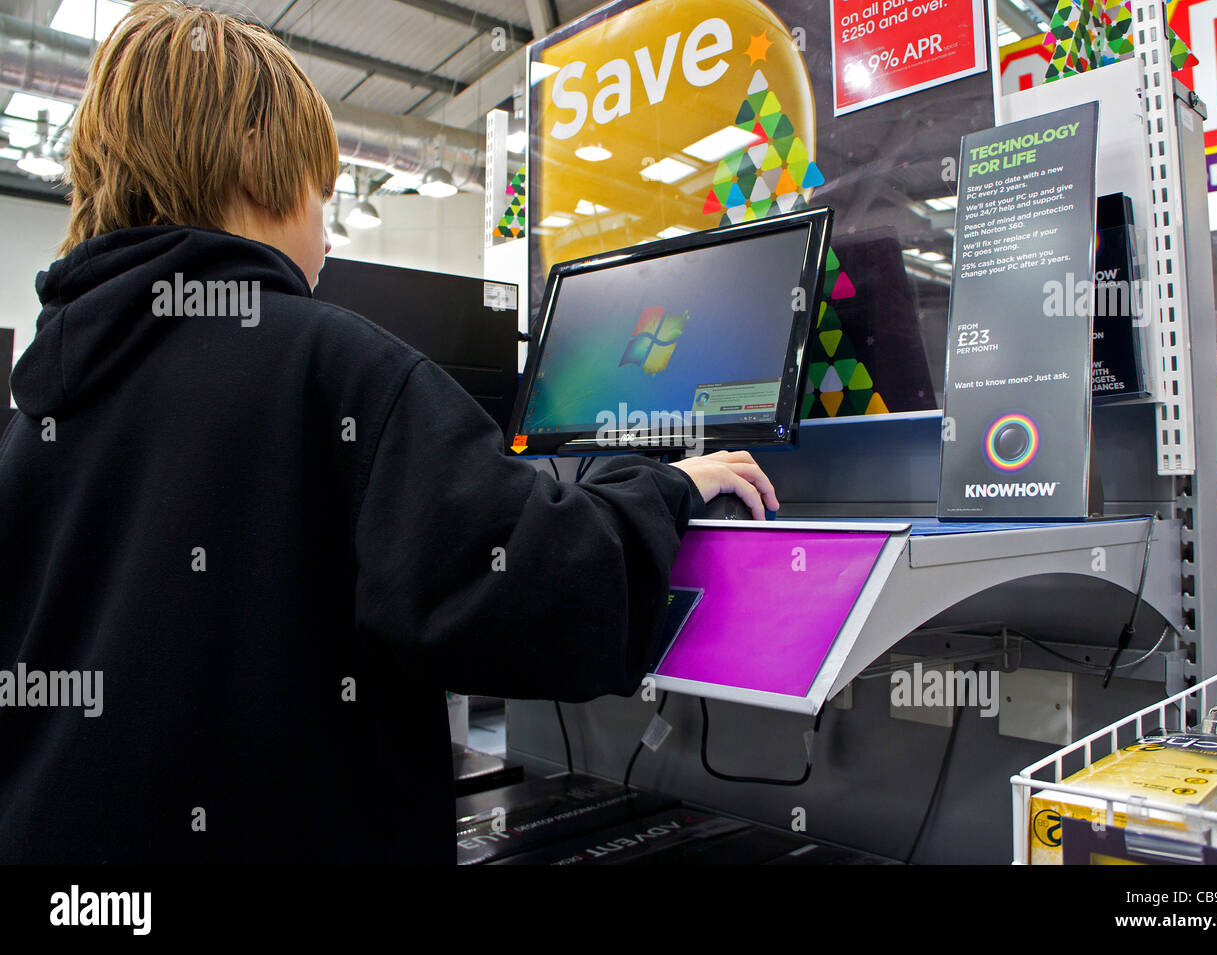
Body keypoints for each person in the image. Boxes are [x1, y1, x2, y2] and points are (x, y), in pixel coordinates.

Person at [0, 1, 778, 863]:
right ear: (262, 169)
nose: (327, 239)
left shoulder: (45, 397)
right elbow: (517, 585)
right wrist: (665, 485)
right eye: (321, 194)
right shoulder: (325, 364)